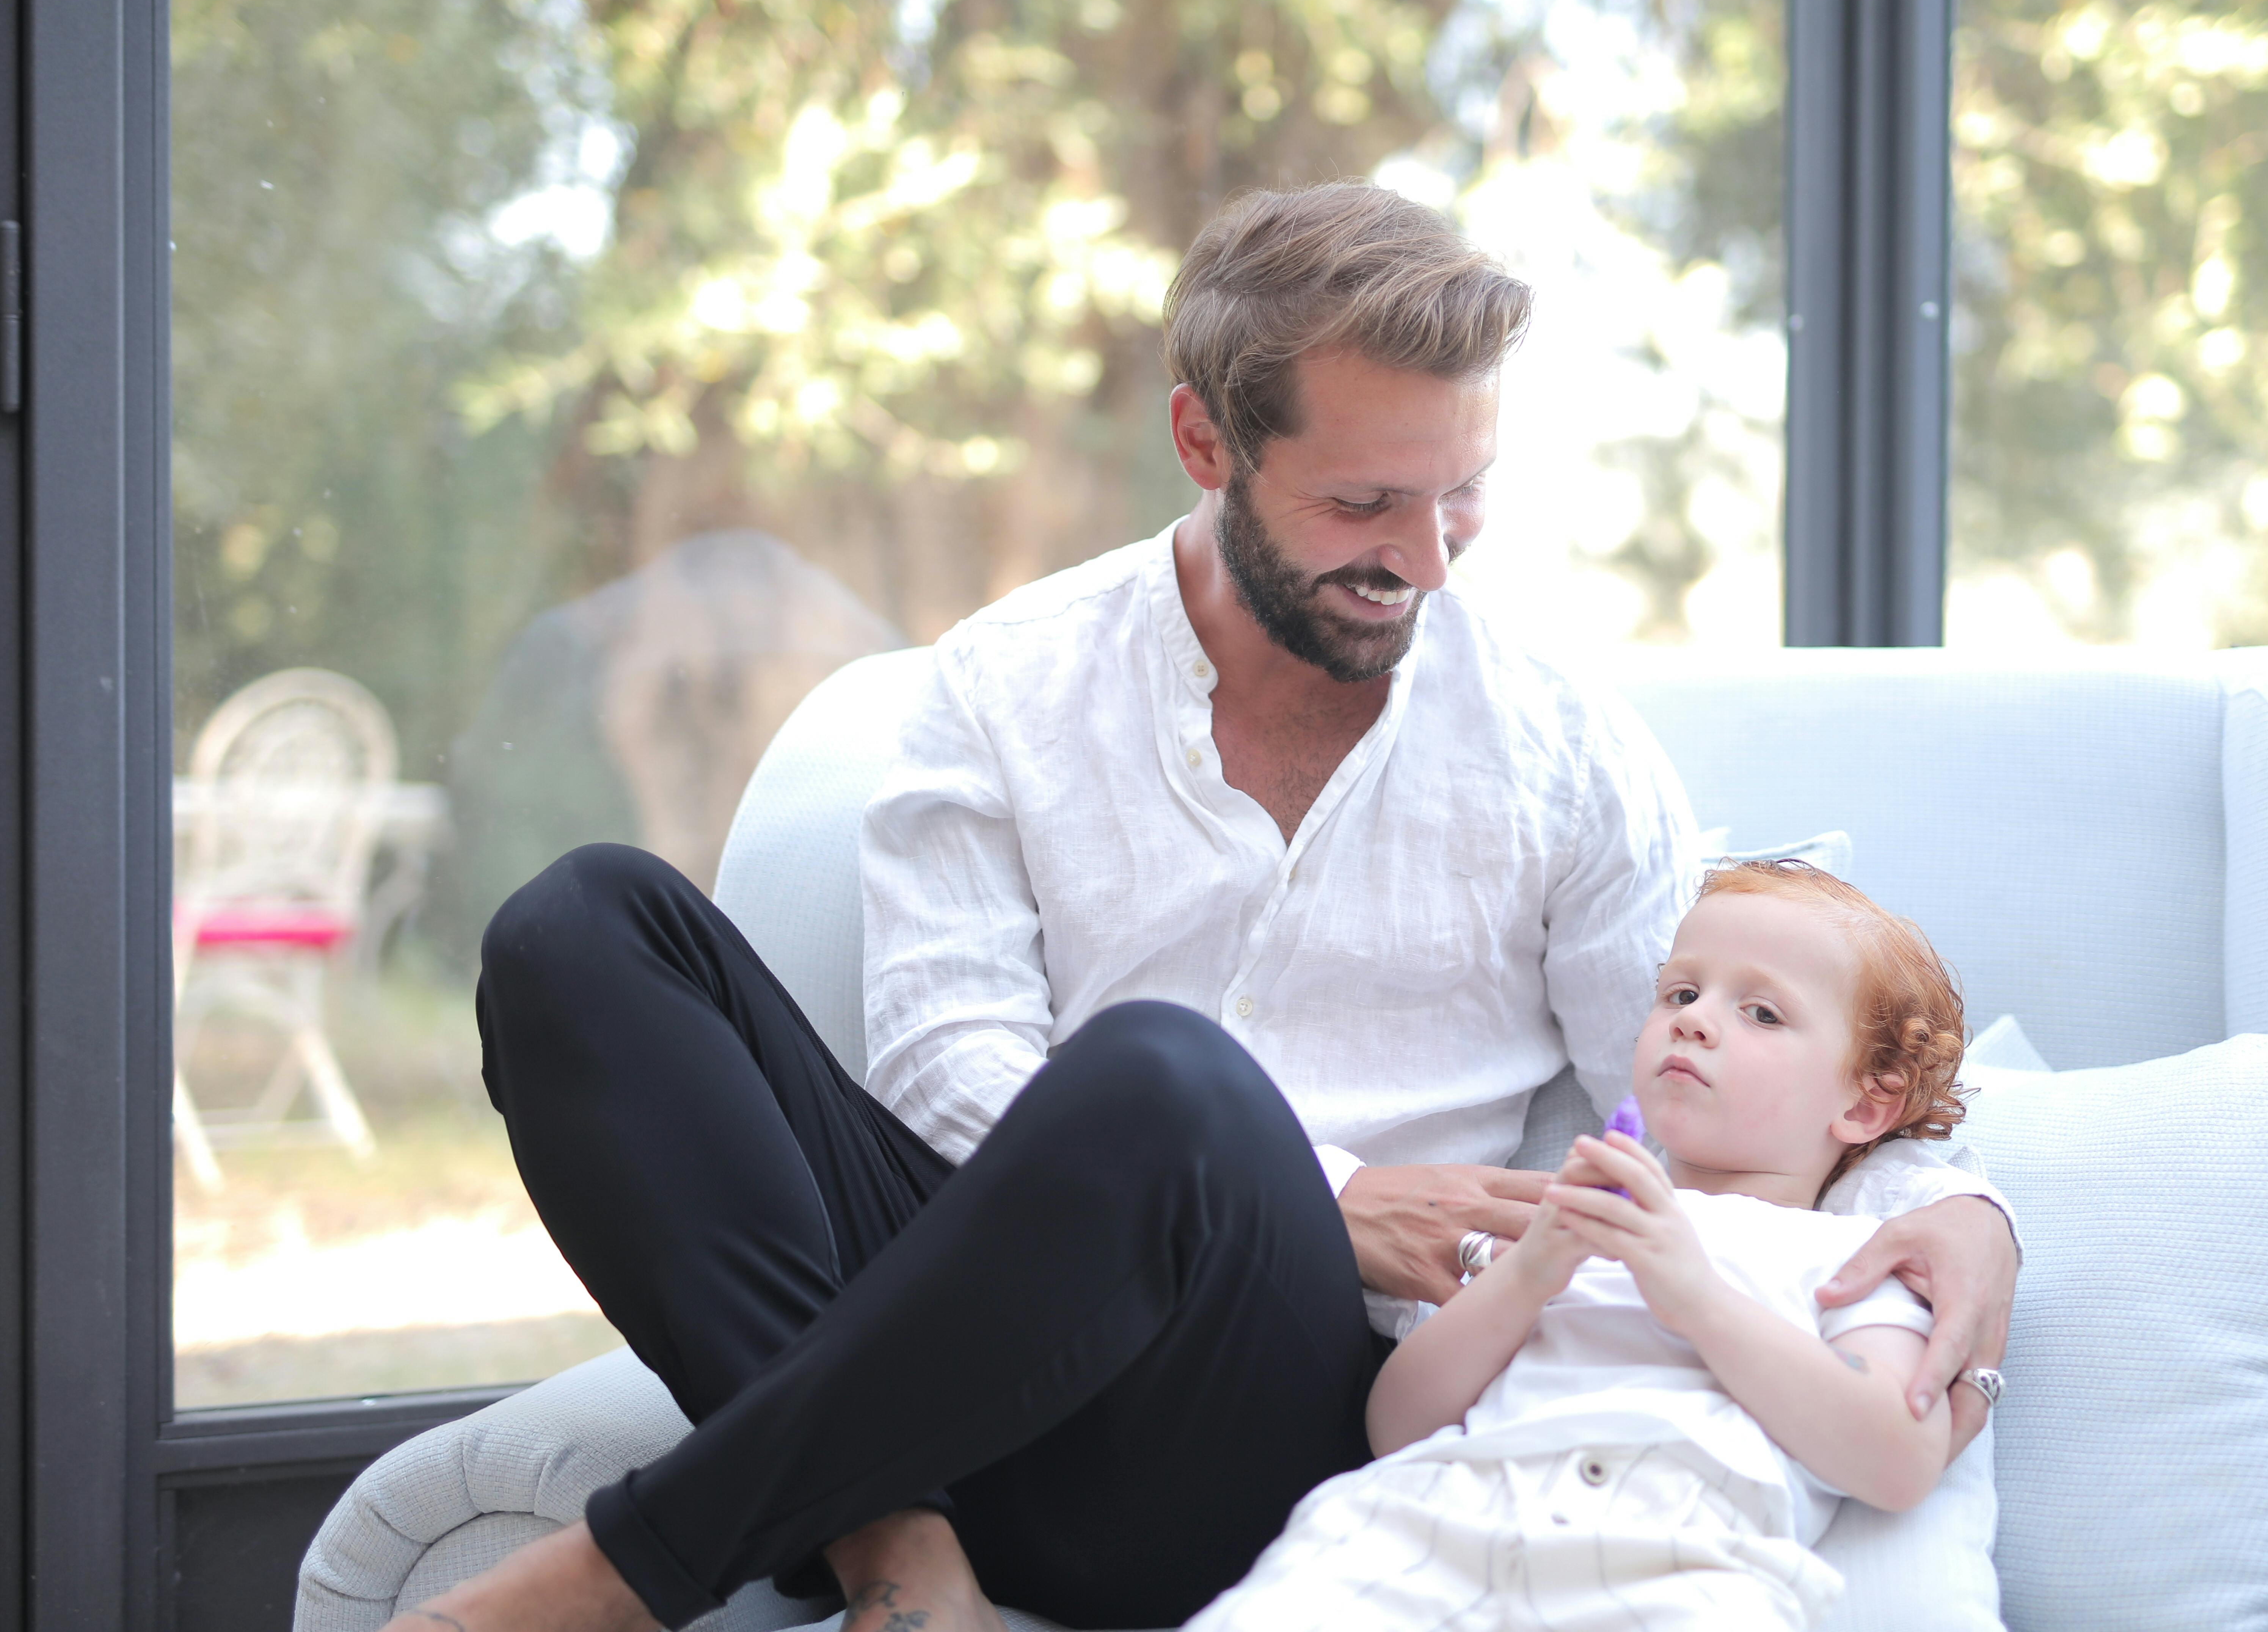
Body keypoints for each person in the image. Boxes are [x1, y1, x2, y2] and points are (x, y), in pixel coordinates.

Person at [385, 183, 2017, 1632]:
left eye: (1460, 499)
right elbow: (950, 1075)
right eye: (1363, 506)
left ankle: (624, 1570)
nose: (1427, 566)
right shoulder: (1006, 685)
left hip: (1293, 1426)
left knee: (1161, 1079)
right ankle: (896, 1544)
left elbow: (1696, 1063)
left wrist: (1964, 1207)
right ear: (1203, 445)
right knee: (581, 929)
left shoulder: (1560, 748)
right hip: (976, 1333)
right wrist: (1334, 1184)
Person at [1188, 858, 1978, 1632]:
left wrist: (1696, 1300)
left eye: (1762, 1013)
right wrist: (1526, 1274)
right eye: (1680, 991)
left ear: (1868, 1103)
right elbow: (1397, 1425)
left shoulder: (1852, 1257)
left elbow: (1900, 1458)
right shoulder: (1561, 1218)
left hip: (1678, 1566)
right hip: (1426, 1527)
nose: (1694, 1018)